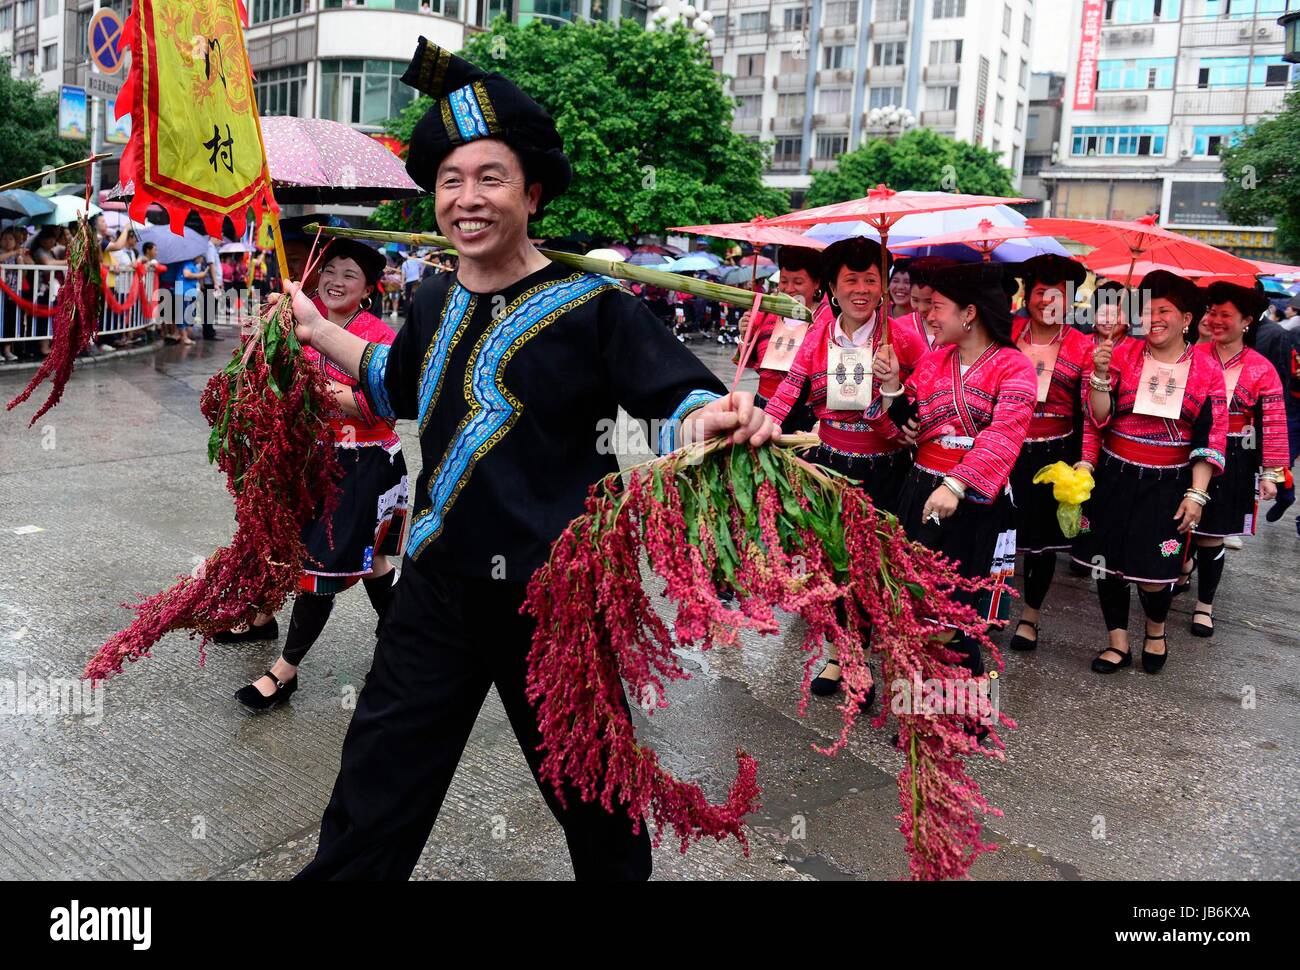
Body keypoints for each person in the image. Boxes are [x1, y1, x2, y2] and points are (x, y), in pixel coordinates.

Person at [282, 39, 776, 882]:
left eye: (491, 178)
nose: (466, 199)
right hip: (435, 585)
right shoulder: (433, 294)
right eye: (450, 180)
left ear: (533, 192)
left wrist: (718, 418)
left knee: (596, 799)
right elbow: (396, 383)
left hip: (554, 597)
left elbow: (678, 401)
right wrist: (315, 327)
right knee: (375, 784)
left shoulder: (594, 308)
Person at [218, 238, 411, 710]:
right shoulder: (293, 320)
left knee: (321, 566)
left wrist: (311, 389)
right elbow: (263, 381)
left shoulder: (379, 338)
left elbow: (379, 406)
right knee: (344, 555)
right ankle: (269, 618)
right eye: (329, 270)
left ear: (368, 289)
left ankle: (285, 672)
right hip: (306, 461)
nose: (335, 280)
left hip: (361, 465)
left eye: (349, 274)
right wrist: (260, 342)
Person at [763, 237, 928, 700]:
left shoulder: (905, 339)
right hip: (831, 468)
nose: (861, 289)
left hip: (887, 470)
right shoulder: (818, 332)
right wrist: (766, 425)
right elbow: (791, 387)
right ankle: (843, 657)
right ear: (832, 288)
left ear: (883, 286)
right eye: (850, 280)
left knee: (876, 567)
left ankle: (877, 655)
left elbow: (923, 405)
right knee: (834, 565)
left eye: (870, 279)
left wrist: (894, 386)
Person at [878, 261, 1037, 679]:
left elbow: (1004, 434)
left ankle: (965, 716)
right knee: (915, 600)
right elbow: (905, 423)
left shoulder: (1015, 366)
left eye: (937, 306)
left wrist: (957, 482)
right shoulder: (933, 362)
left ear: (969, 313)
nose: (928, 315)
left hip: (971, 501)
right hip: (920, 490)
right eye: (926, 305)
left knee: (955, 611)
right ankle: (922, 715)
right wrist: (893, 387)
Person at [1072, 271, 1228, 676]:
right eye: (1146, 311)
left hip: (1168, 481)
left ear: (1187, 317)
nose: (1153, 319)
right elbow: (1098, 419)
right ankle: (1117, 641)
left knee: (1156, 571)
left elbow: (1211, 436)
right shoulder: (1120, 354)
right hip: (1115, 474)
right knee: (1109, 562)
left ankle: (1155, 632)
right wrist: (1100, 378)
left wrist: (1196, 495)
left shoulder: (1207, 370)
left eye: (1164, 311)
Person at [1173, 282, 1288, 636]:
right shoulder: (1190, 354)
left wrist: (1272, 472)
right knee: (1179, 522)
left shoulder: (1261, 368)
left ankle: (1204, 606)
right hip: (1188, 448)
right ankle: (1179, 568)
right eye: (1212, 313)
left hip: (1236, 454)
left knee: (1212, 535)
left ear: (1246, 322)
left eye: (1226, 315)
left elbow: (1273, 420)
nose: (1216, 320)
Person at [1005, 255, 1094, 652]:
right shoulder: (1005, 334)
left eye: (1058, 293)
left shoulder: (1084, 346)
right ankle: (987, 605)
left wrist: (1085, 459)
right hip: (1003, 447)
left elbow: (1092, 415)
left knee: (1039, 544)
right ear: (1028, 293)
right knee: (997, 533)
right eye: (1041, 291)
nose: (1048, 300)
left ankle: (1031, 616)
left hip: (1052, 454)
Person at [736, 243, 833, 430]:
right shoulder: (767, 312)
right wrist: (745, 336)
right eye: (784, 281)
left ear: (816, 283)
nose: (789, 289)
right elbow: (747, 361)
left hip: (805, 413)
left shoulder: (829, 319)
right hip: (763, 405)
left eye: (798, 282)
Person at [1254, 293, 1300, 529]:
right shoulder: (1290, 334)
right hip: (1293, 405)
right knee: (1284, 457)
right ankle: (1285, 496)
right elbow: (1285, 374)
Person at [892, 256, 957, 351]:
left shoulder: (957, 330)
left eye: (929, 301)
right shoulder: (899, 326)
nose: (922, 308)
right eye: (915, 300)